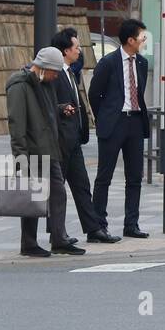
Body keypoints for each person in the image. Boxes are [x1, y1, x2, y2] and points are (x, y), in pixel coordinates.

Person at [6, 47, 80, 256]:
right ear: (43, 67)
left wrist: (60, 109)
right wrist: (21, 158)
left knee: (58, 193)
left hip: (49, 148)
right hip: (32, 151)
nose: (56, 76)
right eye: (54, 72)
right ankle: (28, 244)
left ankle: (59, 239)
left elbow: (45, 110)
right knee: (32, 198)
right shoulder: (19, 85)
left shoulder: (45, 83)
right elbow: (17, 124)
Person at [51, 30, 119, 244]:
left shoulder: (70, 72)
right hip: (61, 141)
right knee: (57, 190)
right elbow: (47, 105)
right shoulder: (55, 74)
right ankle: (57, 234)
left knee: (82, 186)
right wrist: (62, 109)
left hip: (75, 141)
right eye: (76, 47)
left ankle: (93, 229)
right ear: (65, 50)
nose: (79, 51)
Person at [87, 18, 151, 239]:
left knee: (135, 177)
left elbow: (140, 92)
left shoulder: (142, 63)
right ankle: (98, 225)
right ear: (130, 40)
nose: (144, 40)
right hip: (113, 124)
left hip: (135, 122)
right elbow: (94, 94)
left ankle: (131, 225)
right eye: (142, 36)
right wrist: (104, 117)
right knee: (104, 177)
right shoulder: (108, 62)